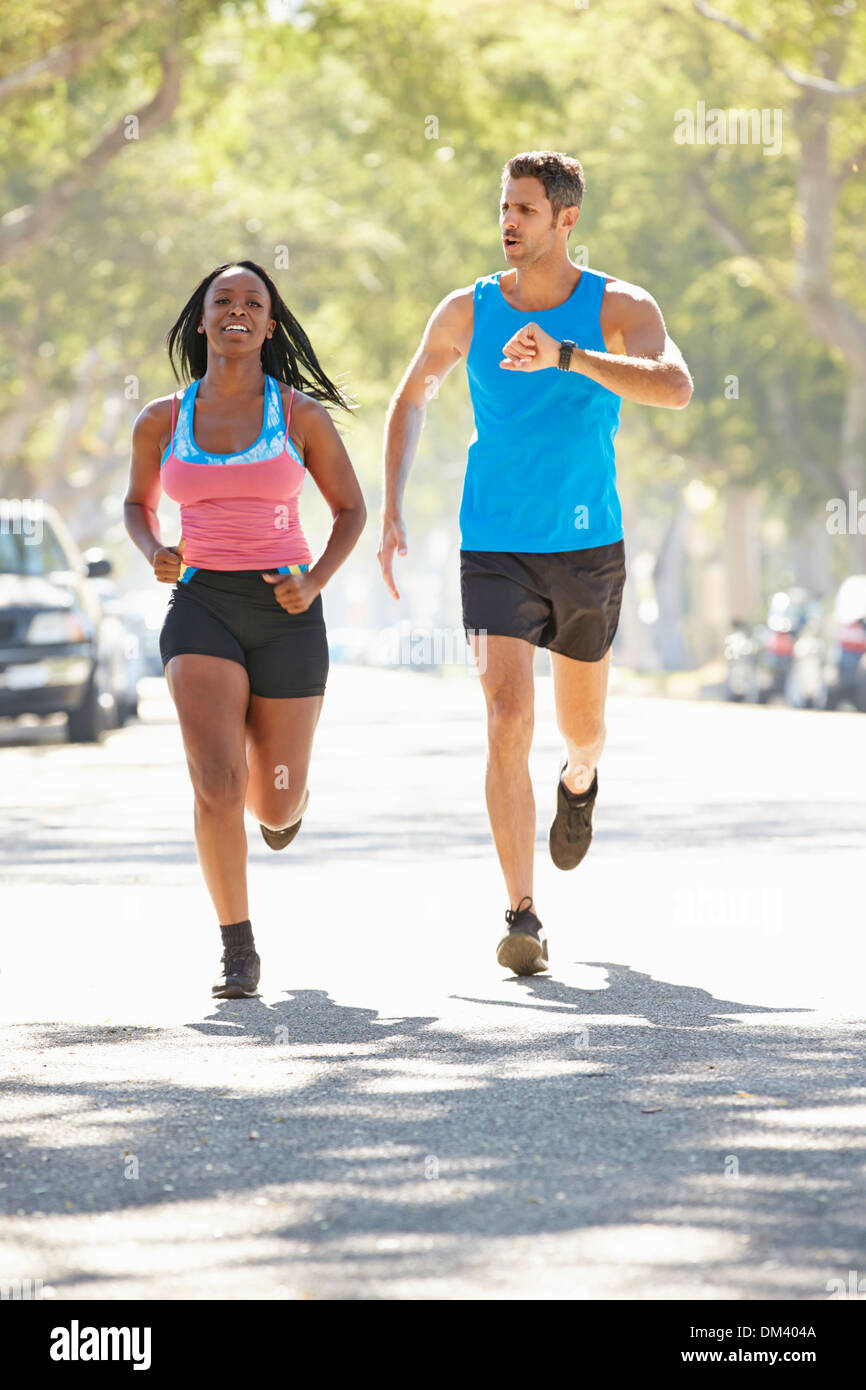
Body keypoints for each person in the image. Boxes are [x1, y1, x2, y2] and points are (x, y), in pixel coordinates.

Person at [378, 151, 692, 976]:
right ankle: (522, 913)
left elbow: (675, 386)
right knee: (506, 714)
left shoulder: (617, 303)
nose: (508, 222)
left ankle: (580, 780)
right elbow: (410, 398)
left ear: (566, 220)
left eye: (524, 209)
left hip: (588, 548)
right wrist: (394, 505)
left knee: (580, 729)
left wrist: (570, 357)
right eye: (504, 208)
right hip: (495, 546)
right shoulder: (467, 309)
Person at [124, 260, 366, 998]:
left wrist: (315, 580)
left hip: (287, 612)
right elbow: (137, 504)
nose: (236, 310)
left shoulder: (299, 417)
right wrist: (156, 550)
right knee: (217, 783)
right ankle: (238, 949)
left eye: (252, 302)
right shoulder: (162, 419)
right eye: (221, 300)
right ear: (201, 320)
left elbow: (351, 510)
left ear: (269, 322)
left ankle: (287, 808)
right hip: (202, 607)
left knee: (273, 801)